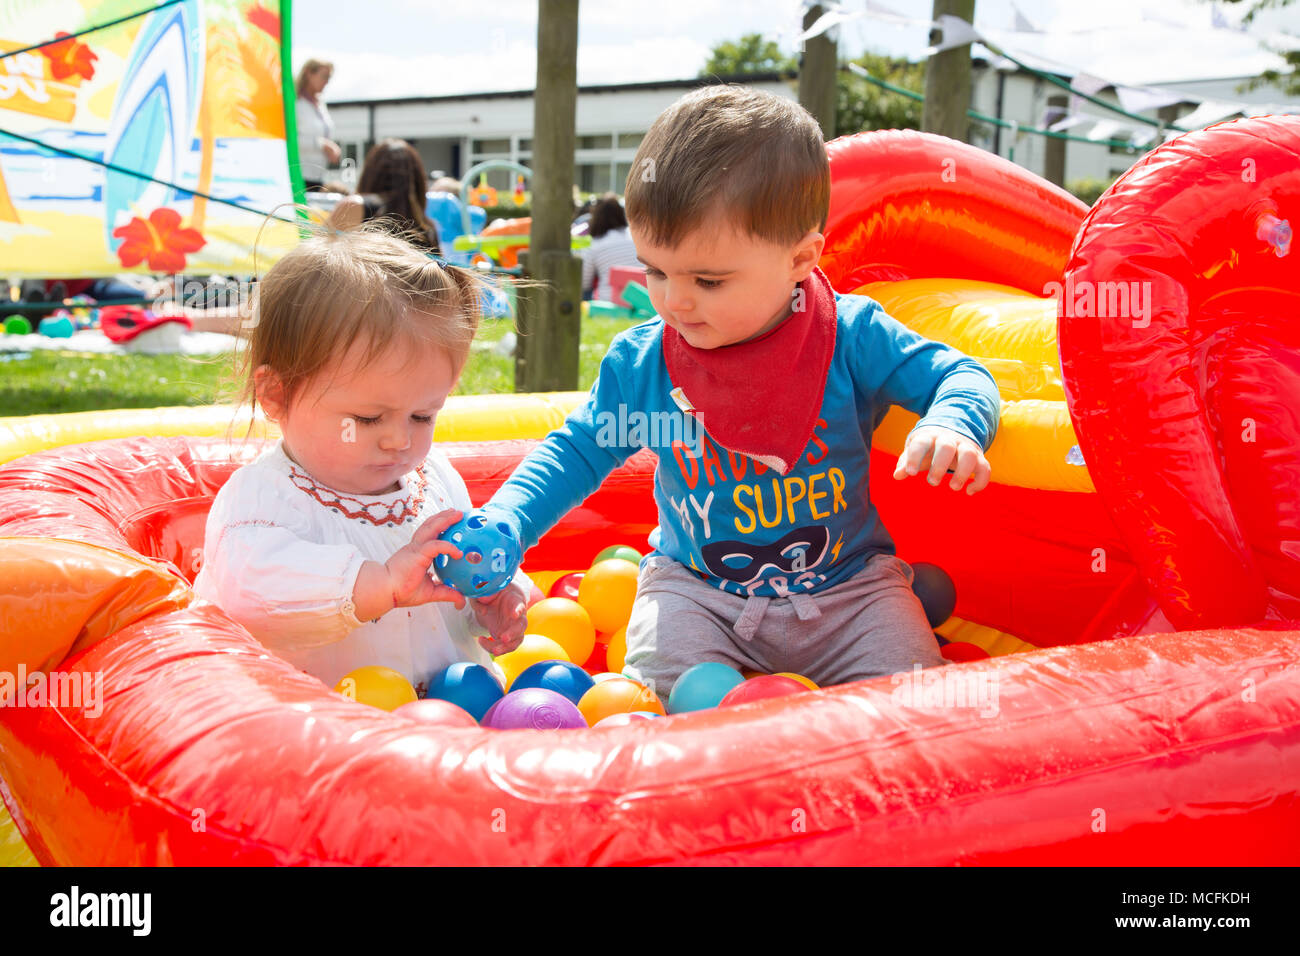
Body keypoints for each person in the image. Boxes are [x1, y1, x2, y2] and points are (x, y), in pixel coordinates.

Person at [482, 85, 1001, 697]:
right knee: (660, 697)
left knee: (913, 700)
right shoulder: (647, 361)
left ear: (800, 259)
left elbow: (962, 375)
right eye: (656, 270)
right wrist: (506, 523)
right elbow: (577, 451)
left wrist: (954, 422)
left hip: (849, 594)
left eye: (708, 279)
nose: (674, 300)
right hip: (698, 592)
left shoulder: (849, 337)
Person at [193, 226, 530, 697]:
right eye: (368, 418)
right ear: (277, 395)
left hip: (452, 720)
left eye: (422, 415)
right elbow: (250, 592)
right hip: (324, 732)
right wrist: (379, 583)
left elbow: (455, 579)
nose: (398, 440)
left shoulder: (434, 481)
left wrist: (489, 602)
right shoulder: (264, 498)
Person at [330, 139, 442, 254]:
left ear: (370, 172)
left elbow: (324, 259)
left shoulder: (354, 206)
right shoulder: (429, 231)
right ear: (417, 179)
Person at [579, 193, 642, 303]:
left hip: (608, 300)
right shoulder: (636, 237)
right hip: (641, 297)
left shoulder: (595, 245)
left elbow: (584, 283)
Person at [295, 59, 340, 190]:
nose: (327, 82)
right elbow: (290, 140)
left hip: (318, 177)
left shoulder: (321, 104)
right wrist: (322, 145)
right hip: (299, 177)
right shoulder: (295, 103)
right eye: (324, 76)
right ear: (309, 73)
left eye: (329, 78)